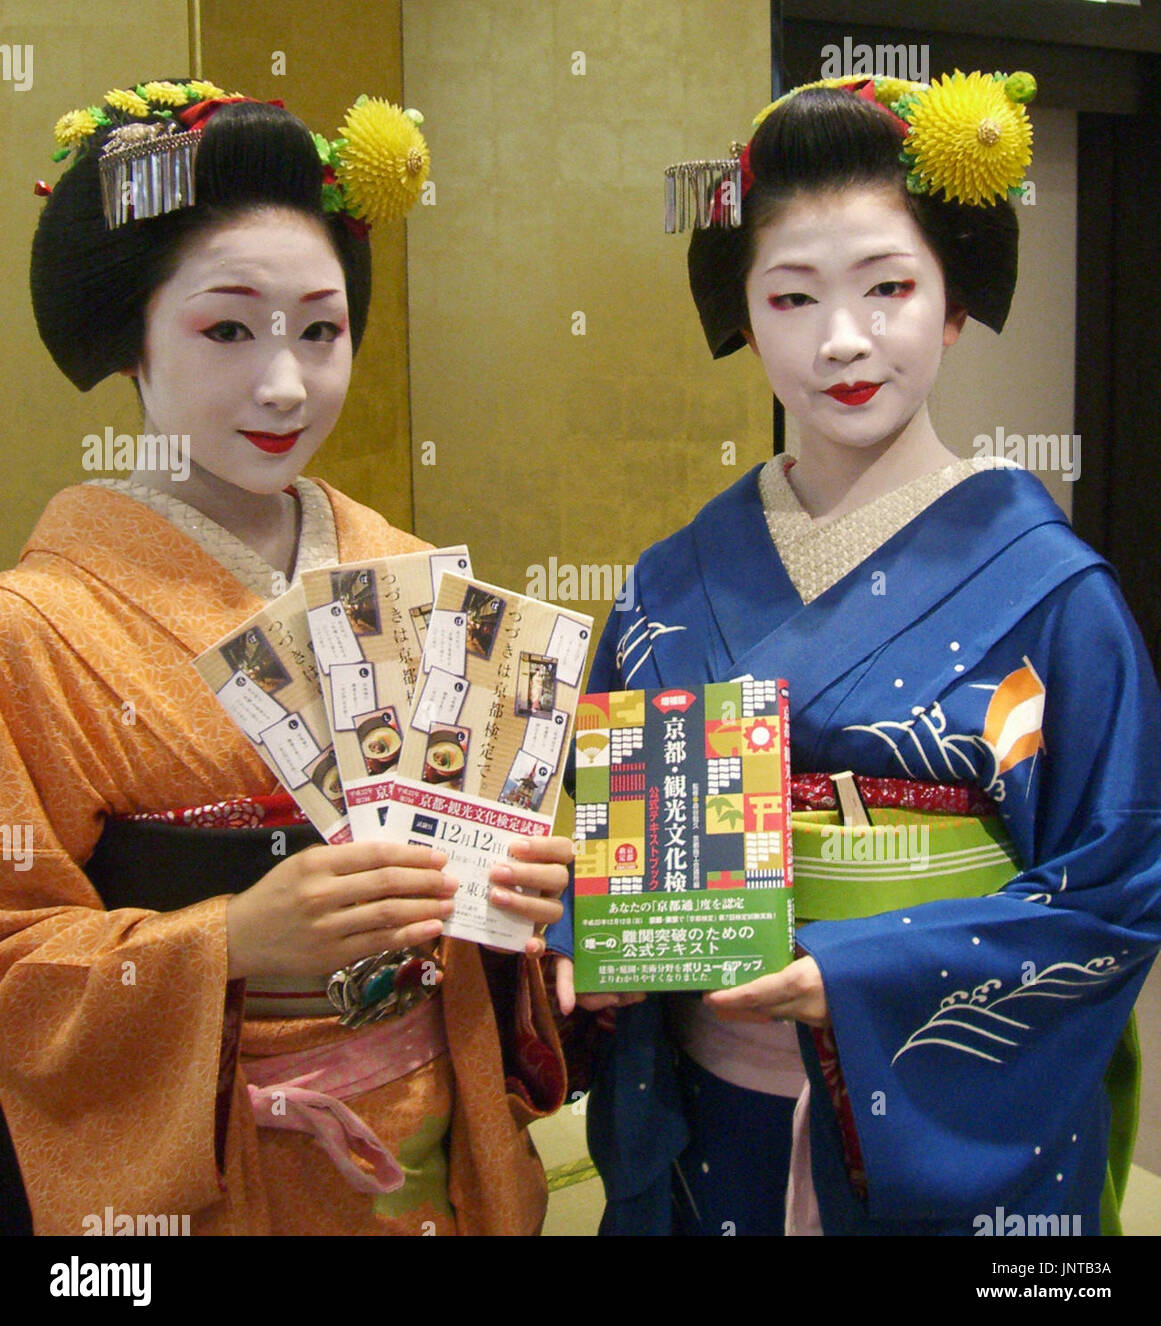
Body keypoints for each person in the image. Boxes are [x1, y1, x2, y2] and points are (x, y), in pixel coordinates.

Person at [553, 72, 1161, 1235]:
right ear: (743, 312)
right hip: (706, 1115)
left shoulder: (1056, 592)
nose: (843, 341)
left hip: (943, 1118)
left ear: (953, 301)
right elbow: (591, 833)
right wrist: (583, 933)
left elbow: (1116, 891)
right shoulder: (670, 583)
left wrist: (858, 976)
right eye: (791, 298)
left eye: (889, 286)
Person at [0, 78, 571, 1236]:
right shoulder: (35, 623)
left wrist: (524, 896)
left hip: (435, 1132)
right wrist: (228, 939)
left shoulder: (409, 571)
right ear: (131, 341)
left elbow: (480, 882)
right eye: (226, 328)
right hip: (217, 1163)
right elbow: (15, 956)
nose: (284, 382)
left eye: (321, 328)